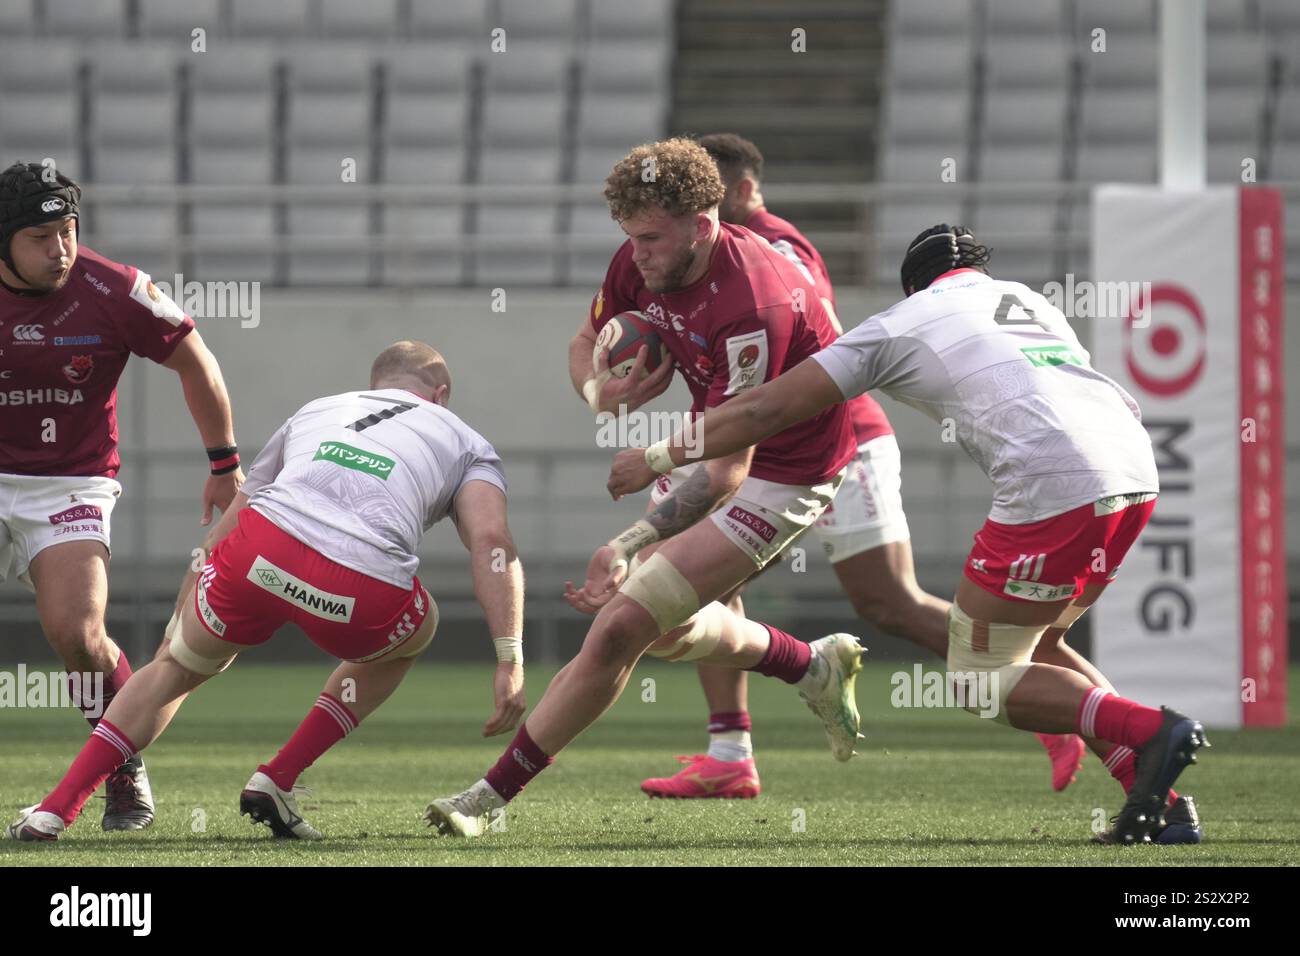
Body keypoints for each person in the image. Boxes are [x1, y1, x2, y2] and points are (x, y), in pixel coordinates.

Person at [608, 225, 1207, 846]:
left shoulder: (901, 320)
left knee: (980, 679)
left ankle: (1153, 730)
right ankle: (1161, 802)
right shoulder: (1029, 301)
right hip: (1134, 469)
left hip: (1052, 485)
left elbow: (765, 410)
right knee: (1042, 645)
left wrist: (657, 456)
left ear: (912, 283)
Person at [424, 138, 867, 839]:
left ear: (703, 221)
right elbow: (583, 339)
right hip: (719, 442)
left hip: (791, 471)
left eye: (652, 238)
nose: (639, 255)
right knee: (661, 629)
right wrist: (603, 392)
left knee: (621, 628)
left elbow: (731, 465)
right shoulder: (642, 257)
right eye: (629, 238)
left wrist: (638, 517)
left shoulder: (752, 302)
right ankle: (809, 663)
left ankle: (486, 800)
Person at [5, 341, 526, 842]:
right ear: (439, 396)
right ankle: (279, 776)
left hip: (259, 554)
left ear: (375, 385)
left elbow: (229, 523)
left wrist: (182, 618)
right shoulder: (466, 440)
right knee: (419, 627)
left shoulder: (318, 409)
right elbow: (492, 544)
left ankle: (54, 810)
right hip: (357, 591)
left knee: (174, 668)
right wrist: (508, 658)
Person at [0, 161, 243, 830]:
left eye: (69, 230)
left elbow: (195, 359)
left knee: (78, 636)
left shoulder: (114, 289)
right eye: (40, 236)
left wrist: (224, 462)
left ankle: (122, 764)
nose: (60, 249)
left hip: (70, 483)